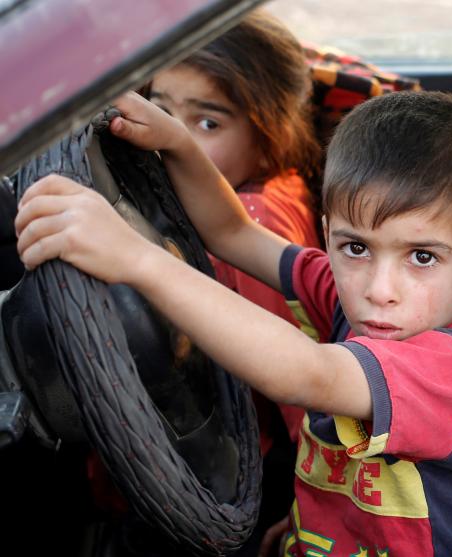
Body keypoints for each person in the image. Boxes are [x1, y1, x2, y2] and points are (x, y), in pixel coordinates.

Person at [15, 89, 452, 556]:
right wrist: (179, 144)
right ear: (329, 234)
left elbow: (307, 372)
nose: (379, 289)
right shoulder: (365, 305)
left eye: (423, 258)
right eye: (356, 247)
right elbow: (234, 233)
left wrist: (138, 261)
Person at [148, 9, 322, 443]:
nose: (171, 139)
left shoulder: (255, 225)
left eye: (207, 123)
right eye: (159, 110)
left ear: (270, 140)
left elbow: (308, 396)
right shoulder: (282, 182)